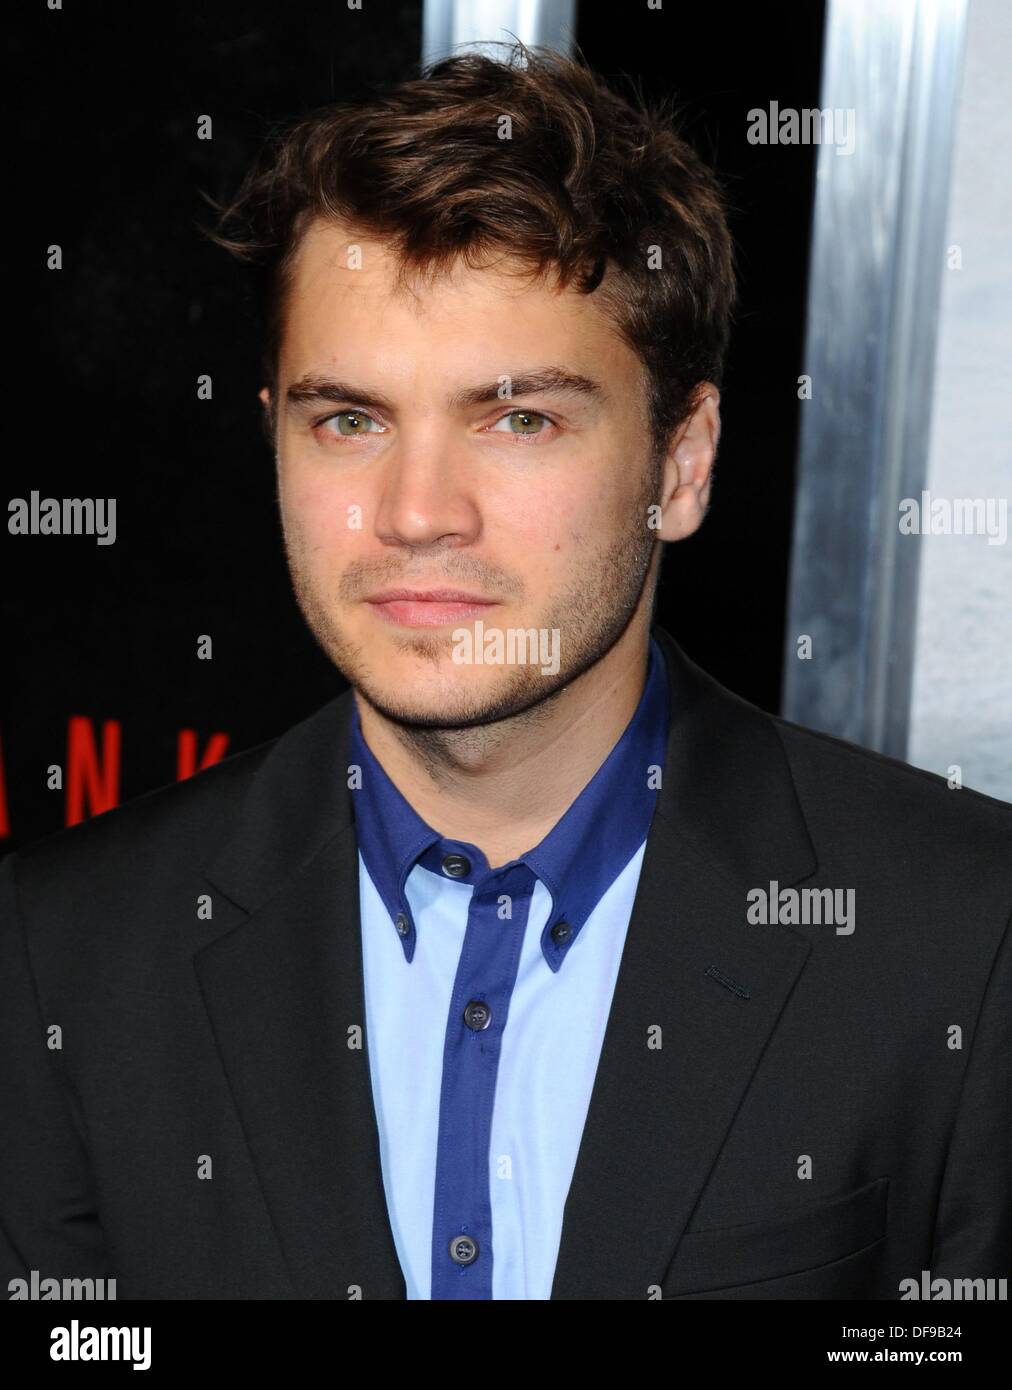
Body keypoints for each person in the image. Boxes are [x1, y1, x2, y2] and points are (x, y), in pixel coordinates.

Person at [2, 44, 1009, 1302]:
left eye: (518, 418)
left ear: (680, 466)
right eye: (348, 420)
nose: (417, 512)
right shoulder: (67, 951)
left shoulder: (964, 934)